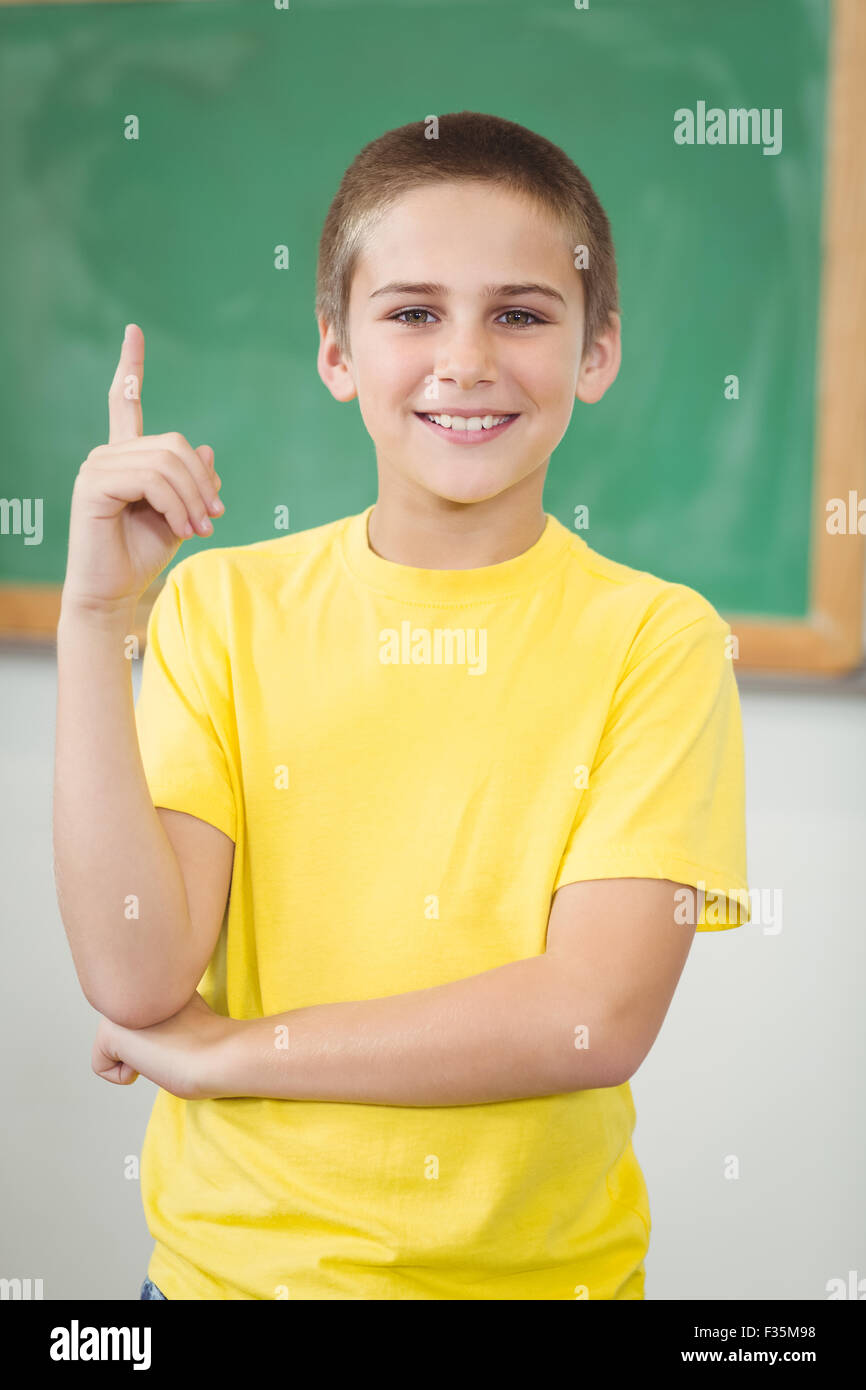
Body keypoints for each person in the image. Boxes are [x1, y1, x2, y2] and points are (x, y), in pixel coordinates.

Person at [54, 111, 750, 1301]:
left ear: (595, 352)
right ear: (336, 352)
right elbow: (135, 980)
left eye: (520, 314)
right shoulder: (222, 608)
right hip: (229, 1283)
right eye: (412, 311)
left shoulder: (657, 638)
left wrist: (231, 1056)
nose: (465, 359)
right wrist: (90, 620)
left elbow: (589, 1015)